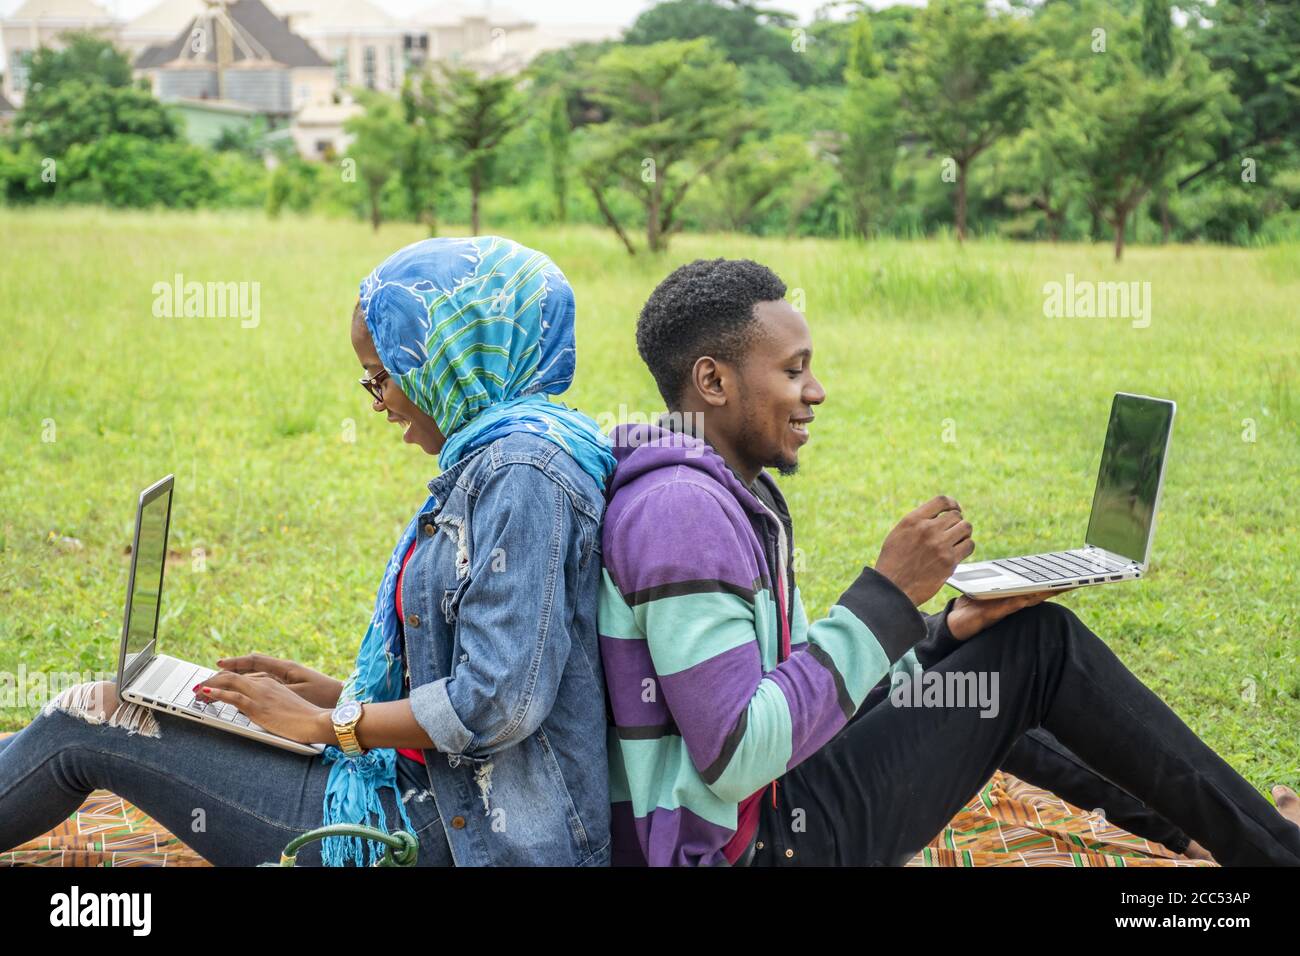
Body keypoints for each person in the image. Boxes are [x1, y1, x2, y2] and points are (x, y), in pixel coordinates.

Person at [598, 256, 1300, 867]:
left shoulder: (716, 491)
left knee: (986, 667)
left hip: (775, 803)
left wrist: (940, 635)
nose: (816, 392)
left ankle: (1198, 836)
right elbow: (738, 752)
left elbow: (790, 693)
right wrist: (884, 595)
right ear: (713, 382)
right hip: (757, 845)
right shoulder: (679, 513)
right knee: (1040, 648)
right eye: (793, 371)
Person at [0, 236, 614, 866]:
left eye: (383, 377)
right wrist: (328, 693)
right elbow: (487, 671)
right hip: (432, 795)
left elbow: (498, 702)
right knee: (102, 707)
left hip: (451, 832)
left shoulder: (523, 473)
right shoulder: (507, 452)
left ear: (447, 358)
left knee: (87, 723)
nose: (378, 403)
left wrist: (330, 725)